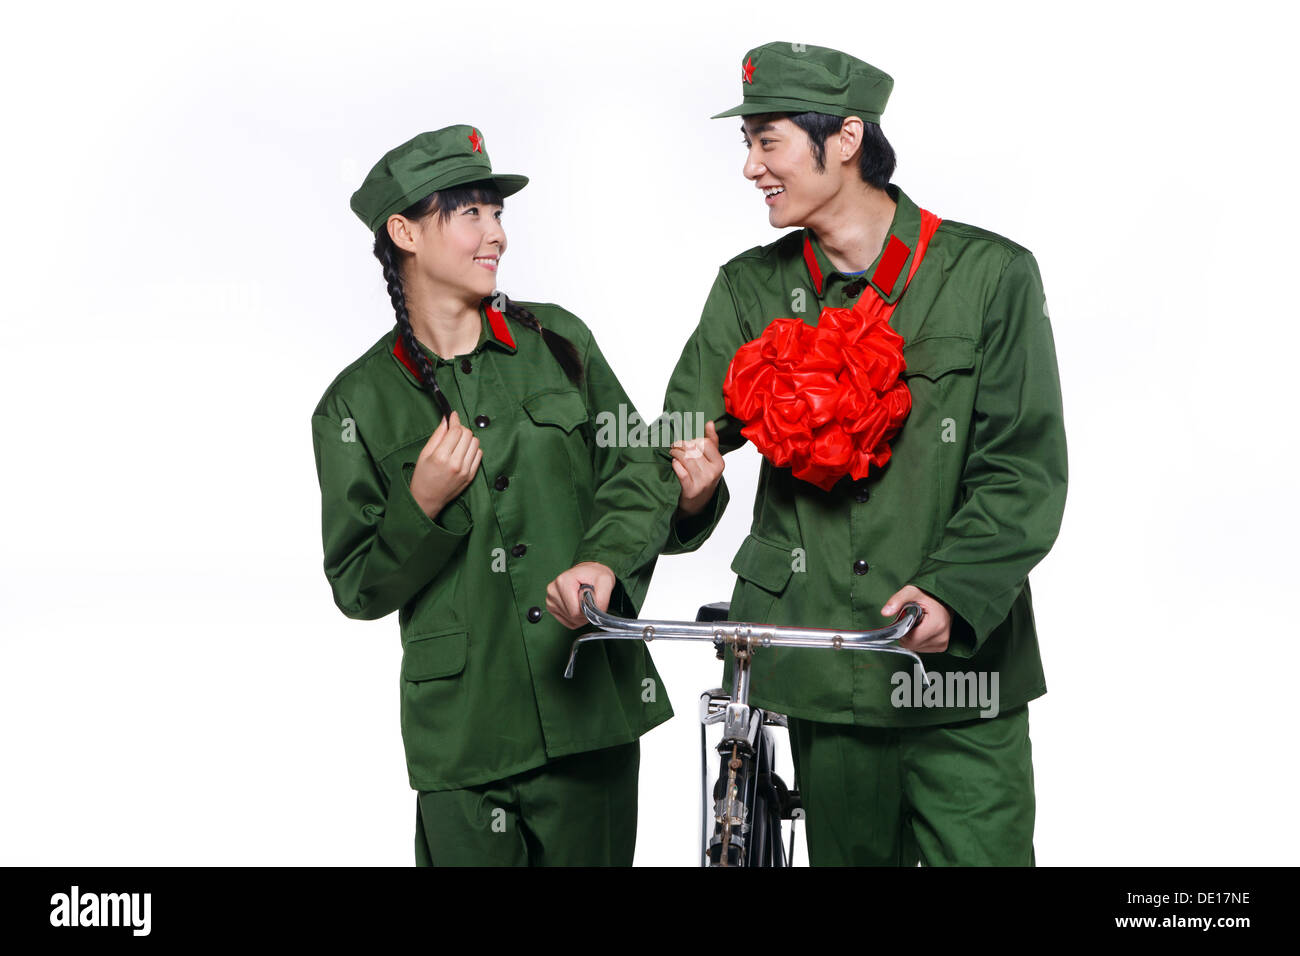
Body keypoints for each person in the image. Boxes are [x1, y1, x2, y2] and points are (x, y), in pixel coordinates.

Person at [549, 43, 1068, 866]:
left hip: (963, 678)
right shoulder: (749, 291)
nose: (752, 167)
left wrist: (951, 591)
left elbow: (1022, 469)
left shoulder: (989, 276)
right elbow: (671, 444)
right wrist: (610, 555)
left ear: (848, 138)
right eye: (747, 144)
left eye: (768, 141)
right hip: (821, 666)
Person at [311, 125, 685, 866]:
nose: (497, 236)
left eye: (499, 213)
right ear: (404, 231)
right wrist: (419, 505)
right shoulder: (354, 404)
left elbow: (640, 473)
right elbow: (357, 587)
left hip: (589, 711)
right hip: (465, 737)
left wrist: (609, 561)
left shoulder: (558, 343)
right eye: (471, 214)